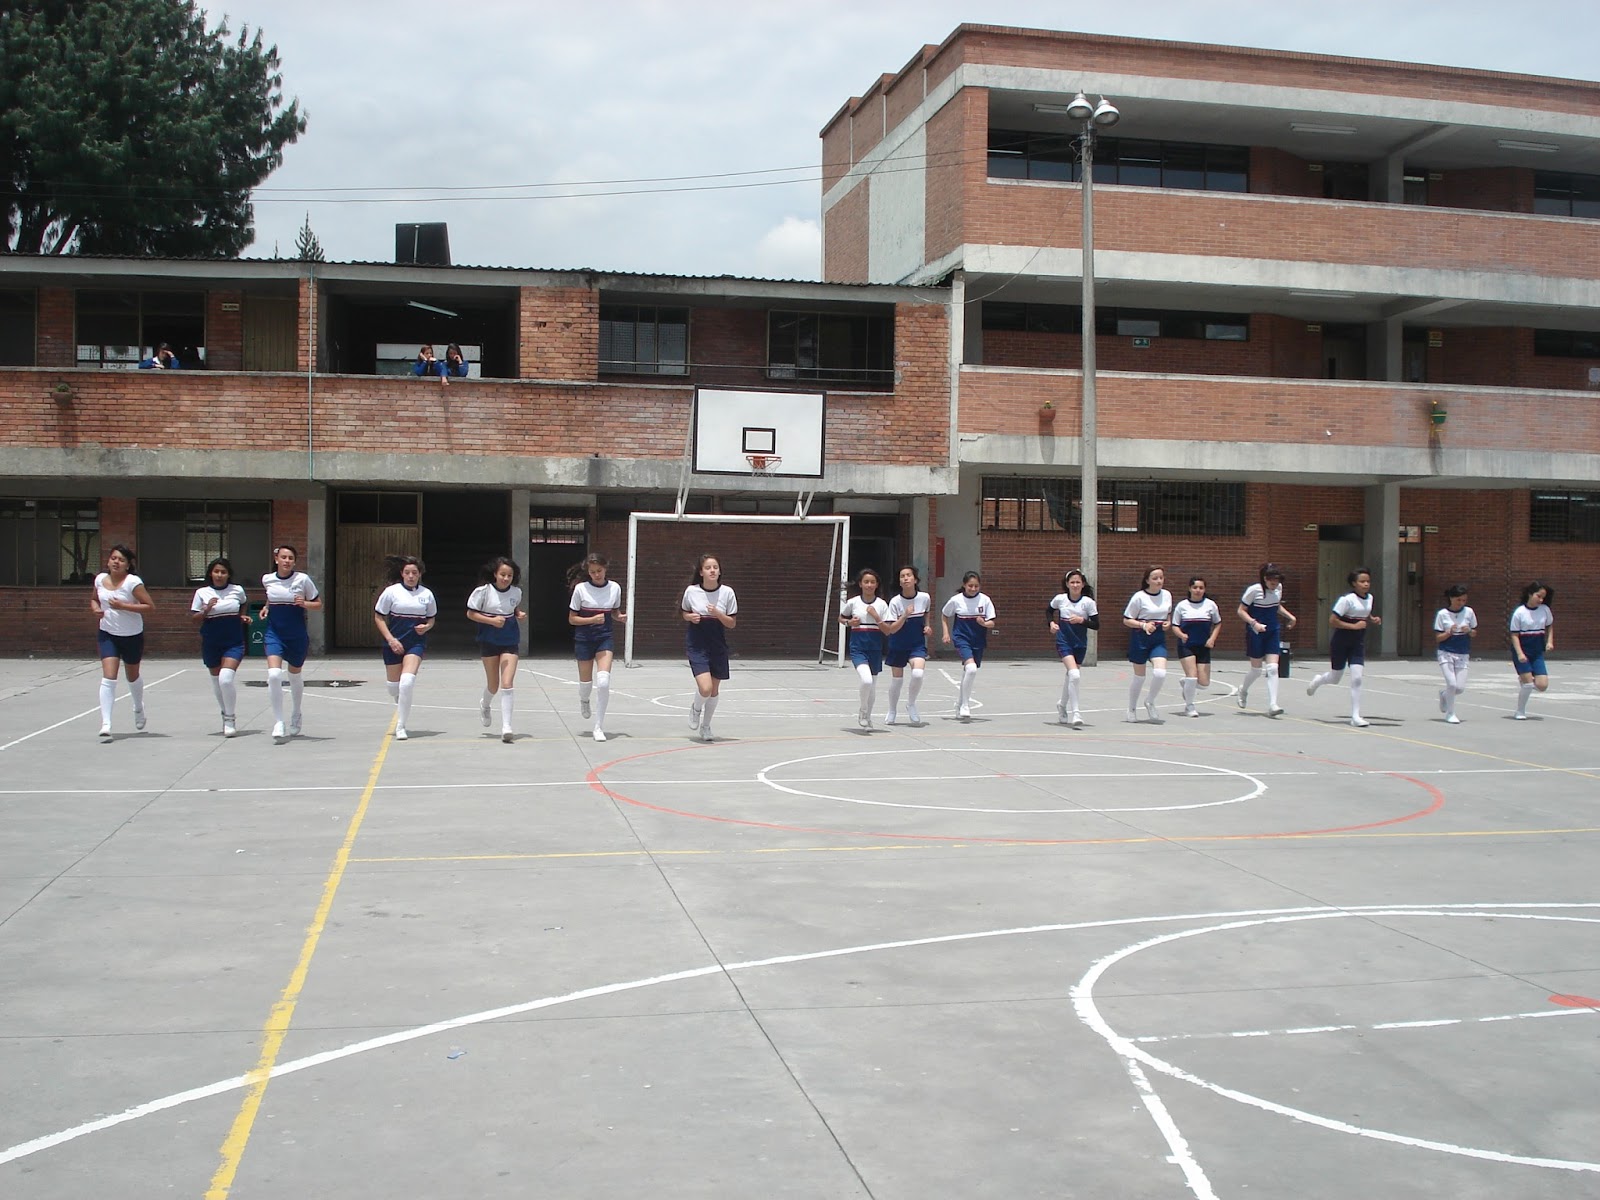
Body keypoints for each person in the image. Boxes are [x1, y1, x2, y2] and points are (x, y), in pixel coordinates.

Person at [90, 544, 155, 741]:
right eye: (113, 558)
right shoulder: (100, 579)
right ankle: (106, 723)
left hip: (132, 635)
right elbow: (94, 599)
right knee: (109, 677)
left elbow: (150, 606)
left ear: (128, 564)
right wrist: (96, 609)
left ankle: (138, 707)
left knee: (132, 676)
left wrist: (123, 606)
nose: (116, 562)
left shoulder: (133, 582)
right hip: (107, 634)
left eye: (121, 560)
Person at [260, 545, 322, 745]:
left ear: (295, 561)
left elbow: (318, 604)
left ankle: (296, 712)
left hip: (296, 635)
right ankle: (279, 721)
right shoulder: (267, 579)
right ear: (276, 559)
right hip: (274, 634)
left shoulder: (302, 580)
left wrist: (304, 603)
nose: (286, 561)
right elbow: (271, 597)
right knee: (274, 675)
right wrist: (266, 608)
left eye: (290, 558)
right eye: (283, 557)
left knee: (294, 675)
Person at [1305, 566, 1381, 727]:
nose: (1366, 584)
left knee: (1357, 678)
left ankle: (1355, 716)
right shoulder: (1346, 600)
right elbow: (1332, 621)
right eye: (1362, 581)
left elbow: (1364, 612)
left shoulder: (1370, 598)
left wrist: (1372, 619)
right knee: (1335, 678)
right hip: (1341, 641)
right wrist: (1354, 626)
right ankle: (1319, 680)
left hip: (1358, 643)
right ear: (1354, 583)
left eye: (1368, 581)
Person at [373, 555, 438, 741]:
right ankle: (400, 698)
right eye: (407, 572)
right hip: (393, 643)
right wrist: (391, 639)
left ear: (420, 574)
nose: (411, 576)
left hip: (415, 643)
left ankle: (401, 725)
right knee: (394, 688)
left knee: (407, 682)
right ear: (402, 573)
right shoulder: (391, 592)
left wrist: (426, 627)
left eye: (414, 573)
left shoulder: (426, 594)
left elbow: (431, 618)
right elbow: (379, 617)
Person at [568, 552, 627, 742]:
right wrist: (592, 619)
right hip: (584, 638)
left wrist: (620, 617)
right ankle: (584, 700)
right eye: (593, 572)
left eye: (599, 571)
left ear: (605, 568)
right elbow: (572, 619)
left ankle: (598, 726)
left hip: (604, 638)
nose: (596, 575)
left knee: (603, 682)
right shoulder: (581, 589)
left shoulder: (614, 588)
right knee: (586, 684)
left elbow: (614, 611)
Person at [467, 556, 526, 743]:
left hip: (510, 640)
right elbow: (471, 613)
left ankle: (507, 727)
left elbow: (512, 607)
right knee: (493, 685)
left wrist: (518, 613)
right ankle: (485, 704)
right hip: (489, 639)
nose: (506, 578)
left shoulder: (516, 592)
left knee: (507, 683)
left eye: (509, 575)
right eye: (502, 574)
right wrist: (491, 621)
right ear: (495, 574)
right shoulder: (483, 592)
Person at [190, 556, 251, 737]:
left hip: (233, 641)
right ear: (210, 573)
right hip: (211, 641)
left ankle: (230, 718)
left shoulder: (237, 590)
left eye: (223, 572)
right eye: (216, 571)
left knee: (226, 679)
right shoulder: (202, 592)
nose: (219, 575)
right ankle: (225, 713)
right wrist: (207, 609)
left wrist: (242, 616)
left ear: (228, 574)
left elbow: (243, 603)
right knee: (217, 680)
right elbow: (194, 618)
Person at [682, 554, 738, 742]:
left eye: (715, 567)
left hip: (717, 644)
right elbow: (684, 612)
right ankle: (696, 708)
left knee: (714, 690)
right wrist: (690, 617)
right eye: (708, 568)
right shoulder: (692, 591)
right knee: (705, 688)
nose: (712, 570)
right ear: (701, 572)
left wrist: (718, 613)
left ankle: (706, 726)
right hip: (697, 643)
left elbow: (732, 623)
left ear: (720, 571)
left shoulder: (727, 593)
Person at [1236, 563, 1298, 718]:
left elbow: (1276, 606)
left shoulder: (1279, 589)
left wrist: (1290, 617)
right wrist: (1254, 623)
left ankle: (1273, 704)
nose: (1274, 583)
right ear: (1264, 578)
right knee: (1256, 670)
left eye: (1277, 580)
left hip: (1273, 630)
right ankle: (1243, 690)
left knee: (1272, 668)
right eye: (1271, 580)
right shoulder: (1254, 590)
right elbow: (1241, 611)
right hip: (1256, 632)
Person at [941, 571, 996, 720]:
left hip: (977, 640)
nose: (973, 589)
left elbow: (992, 623)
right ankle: (965, 704)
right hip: (961, 638)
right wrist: (946, 633)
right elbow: (945, 614)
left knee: (969, 671)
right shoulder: (956, 600)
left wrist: (984, 623)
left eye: (976, 586)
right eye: (970, 585)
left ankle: (959, 703)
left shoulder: (985, 600)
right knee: (971, 669)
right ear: (964, 585)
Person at [881, 565, 932, 725]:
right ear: (900, 582)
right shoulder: (895, 602)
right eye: (902, 576)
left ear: (915, 579)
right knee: (897, 681)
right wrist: (904, 615)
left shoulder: (924, 598)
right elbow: (891, 629)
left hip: (917, 644)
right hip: (898, 644)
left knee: (918, 674)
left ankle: (911, 704)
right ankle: (892, 710)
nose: (906, 578)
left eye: (909, 575)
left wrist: (927, 626)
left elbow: (927, 613)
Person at [1047, 568, 1098, 727]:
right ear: (1067, 584)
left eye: (1078, 582)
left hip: (1080, 643)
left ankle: (1062, 705)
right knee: (1075, 674)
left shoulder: (1088, 603)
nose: (1075, 585)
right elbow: (1049, 611)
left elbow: (1096, 625)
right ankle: (1076, 712)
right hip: (1064, 641)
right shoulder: (1060, 599)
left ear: (1083, 584)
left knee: (1071, 676)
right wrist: (1051, 623)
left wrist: (1082, 621)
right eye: (1072, 582)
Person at [839, 567, 890, 729]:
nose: (869, 585)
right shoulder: (853, 602)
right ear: (860, 584)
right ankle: (863, 710)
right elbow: (841, 618)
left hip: (875, 648)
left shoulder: (882, 604)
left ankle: (868, 717)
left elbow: (887, 630)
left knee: (872, 685)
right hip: (858, 647)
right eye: (866, 582)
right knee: (866, 680)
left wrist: (876, 617)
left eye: (872, 582)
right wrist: (849, 622)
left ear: (877, 585)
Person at [1122, 566, 1172, 723]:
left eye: (1161, 578)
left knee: (1160, 673)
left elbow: (1167, 614)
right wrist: (1143, 625)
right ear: (1147, 580)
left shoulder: (1167, 595)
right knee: (1139, 677)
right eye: (1155, 578)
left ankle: (1150, 701)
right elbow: (1126, 620)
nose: (1159, 581)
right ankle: (1131, 708)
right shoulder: (1139, 597)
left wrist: (1168, 622)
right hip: (1140, 638)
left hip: (1158, 638)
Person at [1173, 576, 1222, 718]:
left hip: (1203, 646)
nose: (1198, 590)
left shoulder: (1210, 605)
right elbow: (1175, 625)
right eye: (1195, 587)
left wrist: (1212, 639)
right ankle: (1189, 706)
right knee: (1192, 676)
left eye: (1201, 588)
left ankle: (1186, 683)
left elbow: (1218, 623)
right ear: (1190, 588)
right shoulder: (1182, 606)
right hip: (1186, 645)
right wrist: (1181, 635)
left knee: (1204, 683)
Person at [1508, 581, 1555, 721]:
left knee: (1542, 685)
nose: (1540, 600)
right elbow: (1514, 635)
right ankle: (1520, 711)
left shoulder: (1545, 610)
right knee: (1528, 684)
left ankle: (1524, 680)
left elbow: (1549, 626)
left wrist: (1549, 641)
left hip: (1537, 652)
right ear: (1530, 594)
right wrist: (1520, 653)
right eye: (1538, 596)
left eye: (1543, 598)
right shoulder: (1520, 612)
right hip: (1522, 651)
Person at [1433, 583, 1477, 725]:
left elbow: (1474, 632)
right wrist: (1448, 632)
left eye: (1464, 600)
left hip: (1463, 652)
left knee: (1459, 688)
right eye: (1458, 600)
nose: (1461, 603)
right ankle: (1450, 713)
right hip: (1446, 652)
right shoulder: (1442, 614)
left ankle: (1444, 695)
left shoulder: (1469, 612)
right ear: (1451, 598)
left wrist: (1469, 631)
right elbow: (1438, 638)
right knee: (1451, 684)